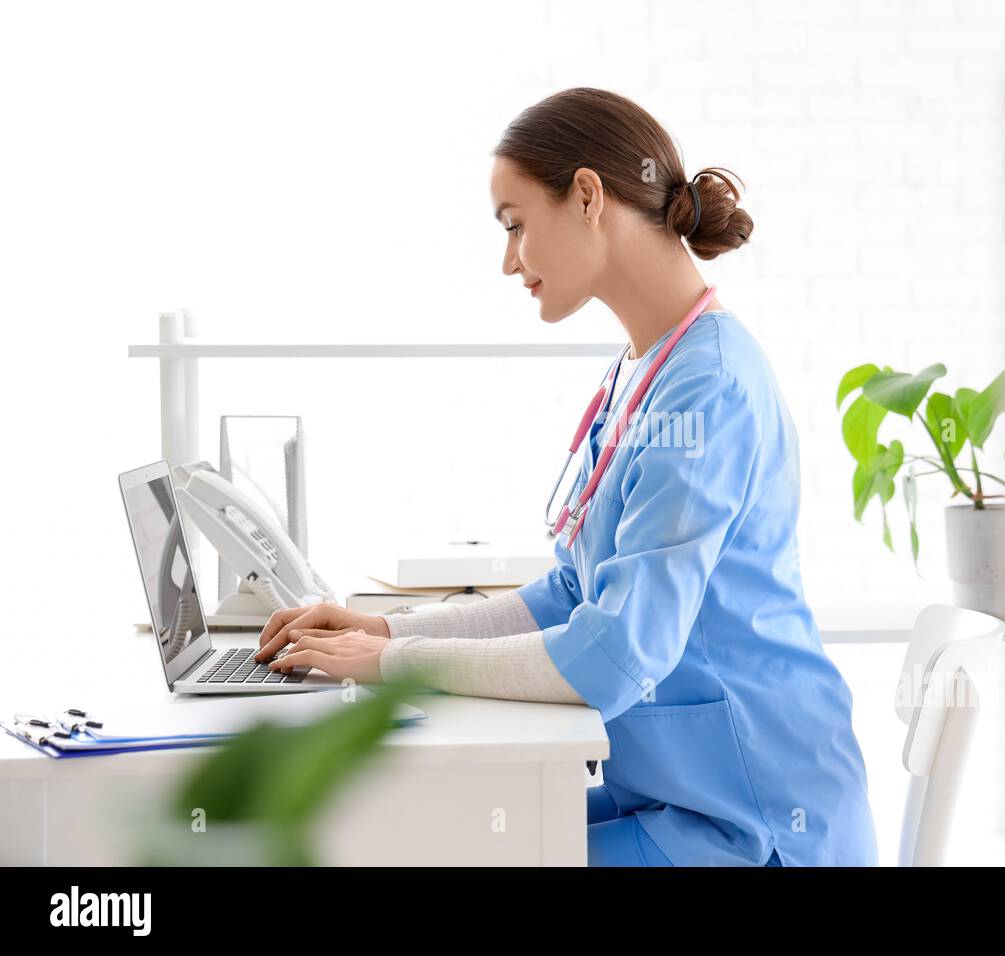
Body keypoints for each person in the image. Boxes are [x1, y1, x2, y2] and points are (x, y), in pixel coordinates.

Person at [254, 87, 877, 867]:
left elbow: (613, 652)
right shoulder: (645, 368)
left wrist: (388, 663)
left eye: (515, 226)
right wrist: (382, 628)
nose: (508, 260)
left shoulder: (708, 386)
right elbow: (572, 595)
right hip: (675, 792)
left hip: (752, 822)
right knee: (423, 833)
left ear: (587, 195)